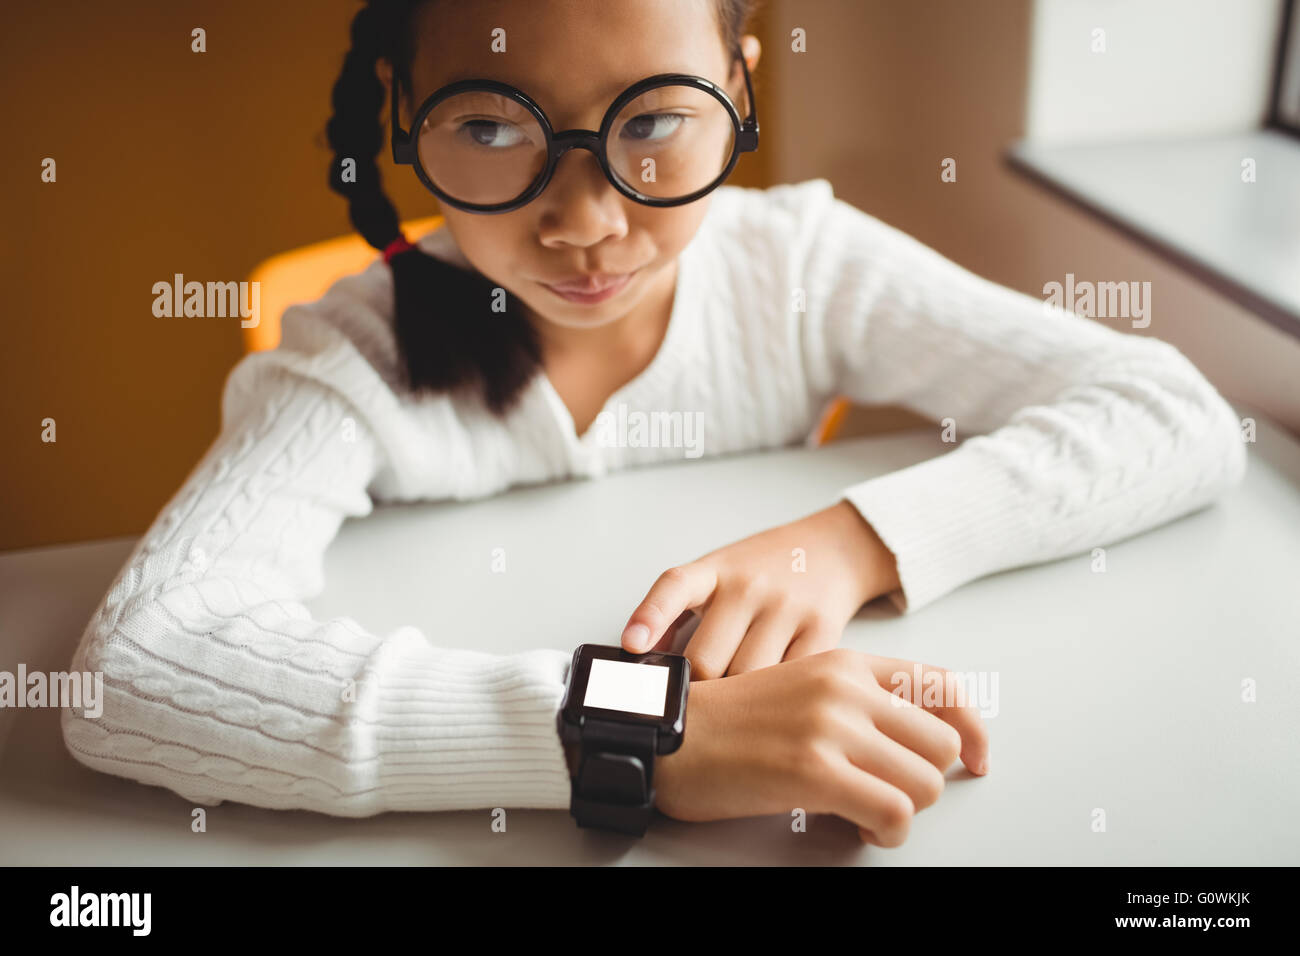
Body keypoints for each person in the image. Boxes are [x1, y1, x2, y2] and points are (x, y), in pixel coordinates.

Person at [62, 0, 1244, 848]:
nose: (584, 219)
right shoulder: (358, 353)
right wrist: (638, 735)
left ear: (737, 89)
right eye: (491, 128)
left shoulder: (800, 262)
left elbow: (1174, 412)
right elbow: (137, 670)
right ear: (403, 116)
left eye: (652, 123)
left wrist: (846, 541)